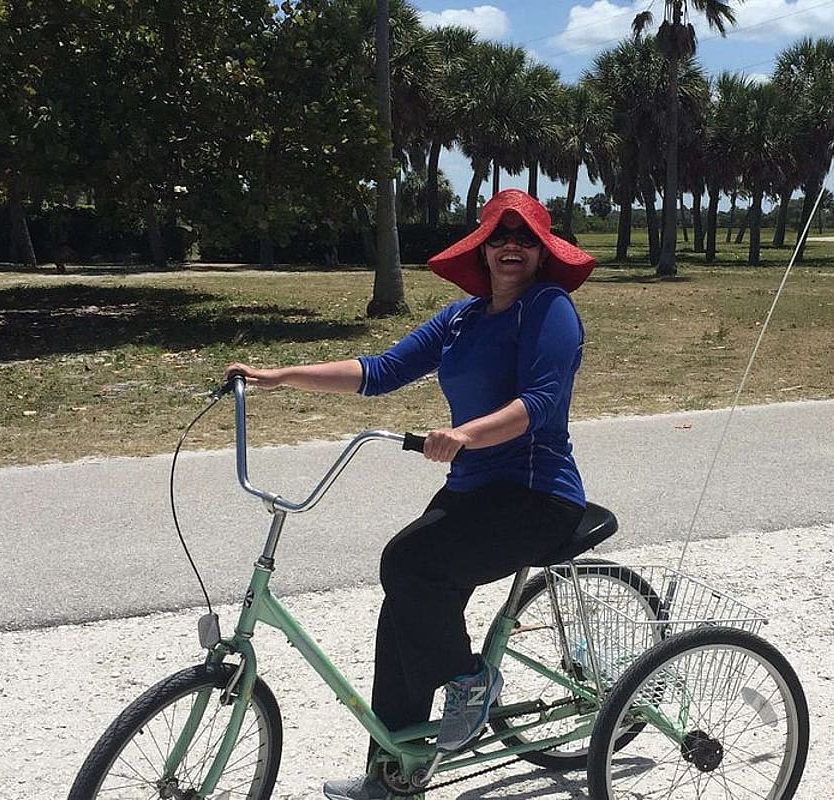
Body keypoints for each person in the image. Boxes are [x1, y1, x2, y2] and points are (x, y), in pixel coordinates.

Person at [225, 189, 597, 800]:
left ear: (540, 252)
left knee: (406, 563)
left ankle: (470, 683)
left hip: (536, 498)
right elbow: (380, 370)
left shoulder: (549, 308)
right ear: (481, 249)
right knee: (401, 609)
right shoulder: (462, 318)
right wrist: (276, 376)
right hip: (473, 492)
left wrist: (464, 435)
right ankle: (393, 774)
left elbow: (540, 404)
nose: (511, 247)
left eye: (524, 237)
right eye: (499, 236)